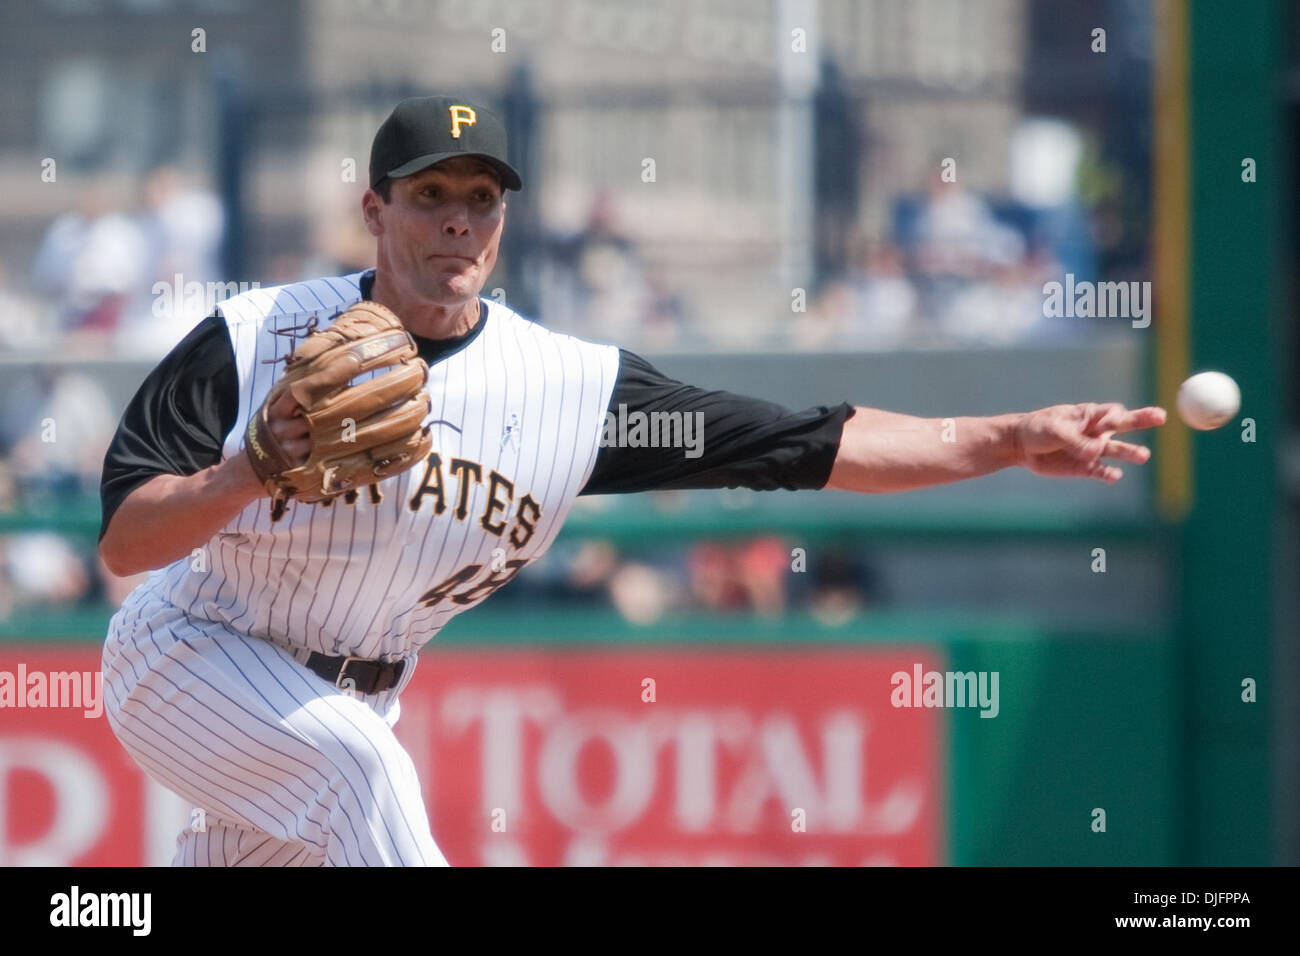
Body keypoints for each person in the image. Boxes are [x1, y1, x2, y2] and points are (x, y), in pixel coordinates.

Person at [97, 95, 1165, 867]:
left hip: (355, 695)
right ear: (375, 211)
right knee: (359, 780)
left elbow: (807, 441)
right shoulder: (257, 337)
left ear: (504, 219)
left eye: (481, 197)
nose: (458, 221)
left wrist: (1007, 435)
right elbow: (126, 540)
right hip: (191, 654)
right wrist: (249, 470)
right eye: (430, 197)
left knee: (343, 770)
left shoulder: (564, 387)